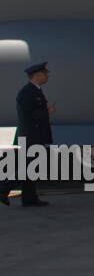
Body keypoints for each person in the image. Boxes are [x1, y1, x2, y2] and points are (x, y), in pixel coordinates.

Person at [2, 62, 54, 208]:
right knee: (31, 167)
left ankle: (29, 199)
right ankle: (3, 189)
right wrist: (47, 112)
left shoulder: (35, 90)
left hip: (34, 134)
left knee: (29, 166)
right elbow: (26, 115)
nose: (47, 76)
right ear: (37, 76)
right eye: (45, 73)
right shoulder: (27, 92)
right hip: (31, 135)